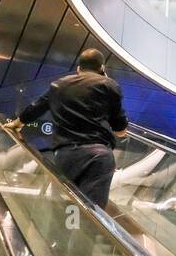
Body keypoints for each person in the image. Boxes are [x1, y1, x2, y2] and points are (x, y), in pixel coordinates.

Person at [11, 49, 127, 208]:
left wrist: (17, 124)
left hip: (66, 156)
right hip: (98, 155)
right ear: (102, 68)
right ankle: (84, 230)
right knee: (92, 210)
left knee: (64, 206)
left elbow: (35, 108)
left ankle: (66, 229)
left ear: (79, 68)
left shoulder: (57, 86)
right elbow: (120, 130)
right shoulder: (110, 85)